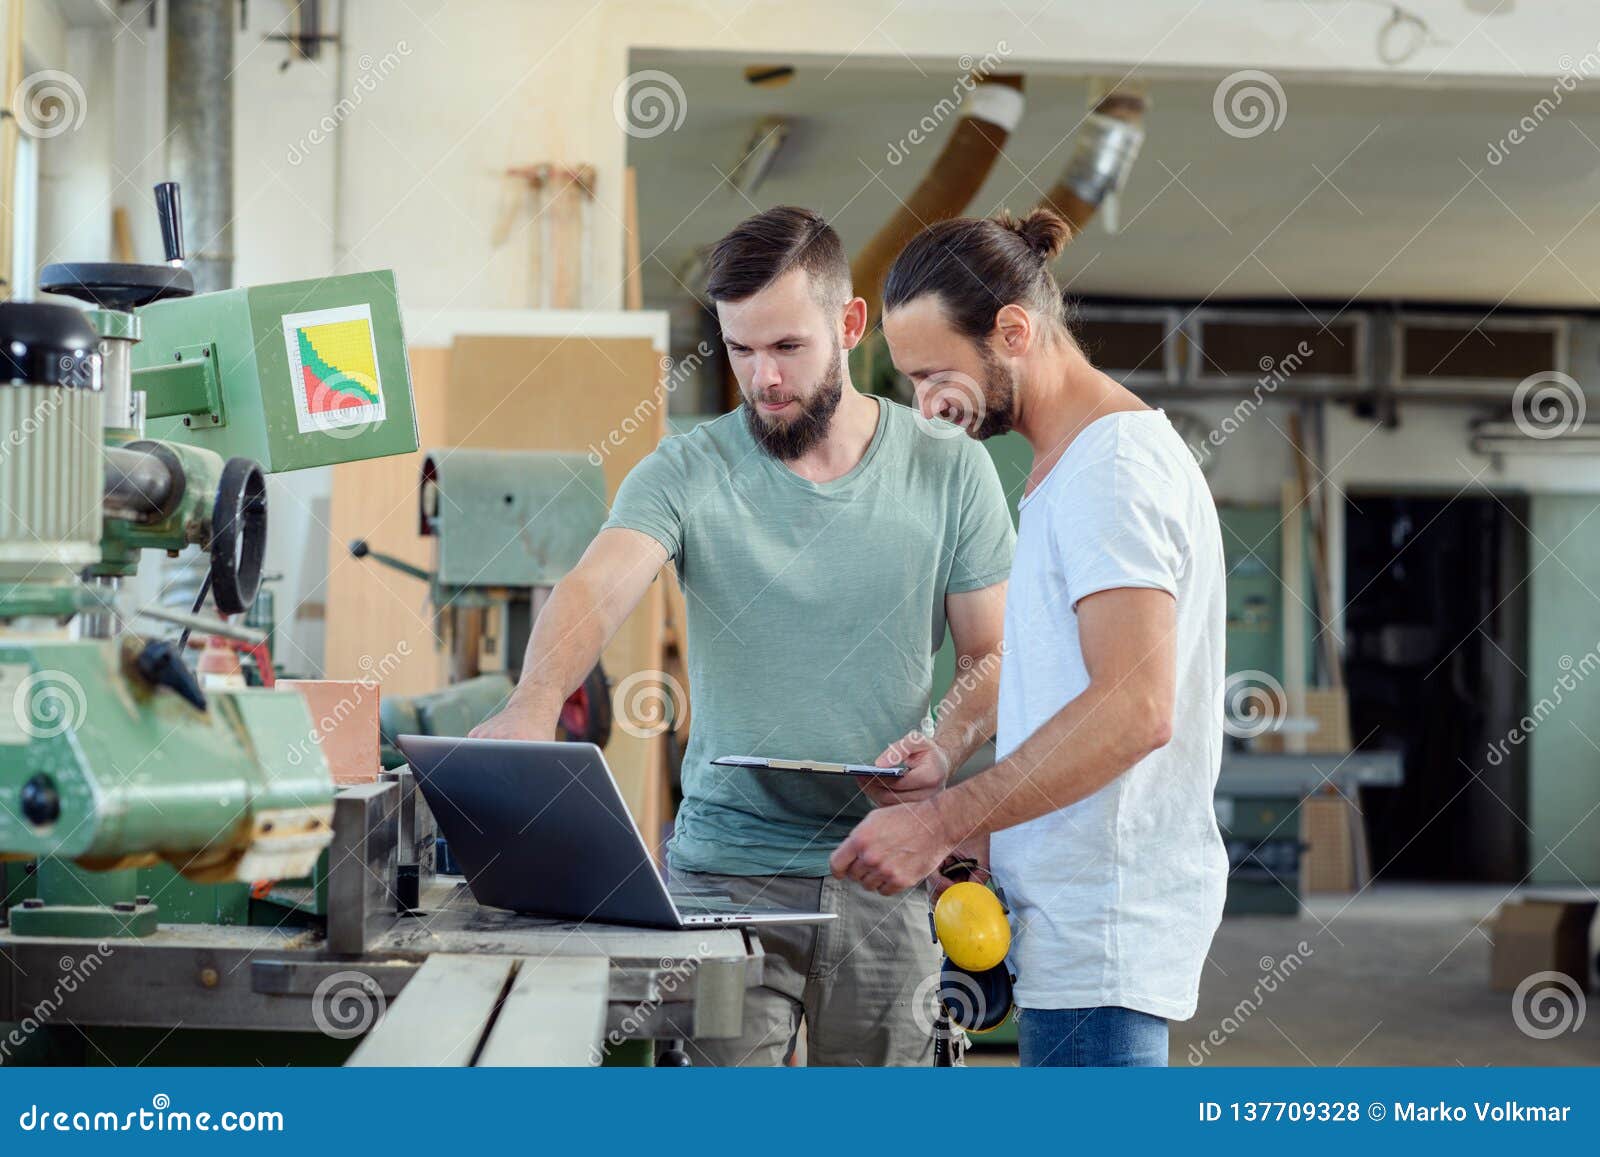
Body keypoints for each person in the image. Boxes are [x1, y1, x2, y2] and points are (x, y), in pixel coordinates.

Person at [470, 205, 1014, 1066]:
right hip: (722, 878)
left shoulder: (949, 466)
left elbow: (991, 654)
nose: (762, 378)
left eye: (787, 347)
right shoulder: (687, 468)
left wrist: (946, 743)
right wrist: (534, 704)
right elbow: (598, 585)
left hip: (883, 865)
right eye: (739, 349)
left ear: (849, 324)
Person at [829, 208, 1228, 1068]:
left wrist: (943, 820)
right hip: (1065, 930)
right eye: (908, 379)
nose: (925, 404)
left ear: (1013, 331)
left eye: (936, 372)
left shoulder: (1111, 472)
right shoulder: (1066, 469)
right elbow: (1071, 694)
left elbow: (1134, 711)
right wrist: (981, 825)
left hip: (1102, 943)